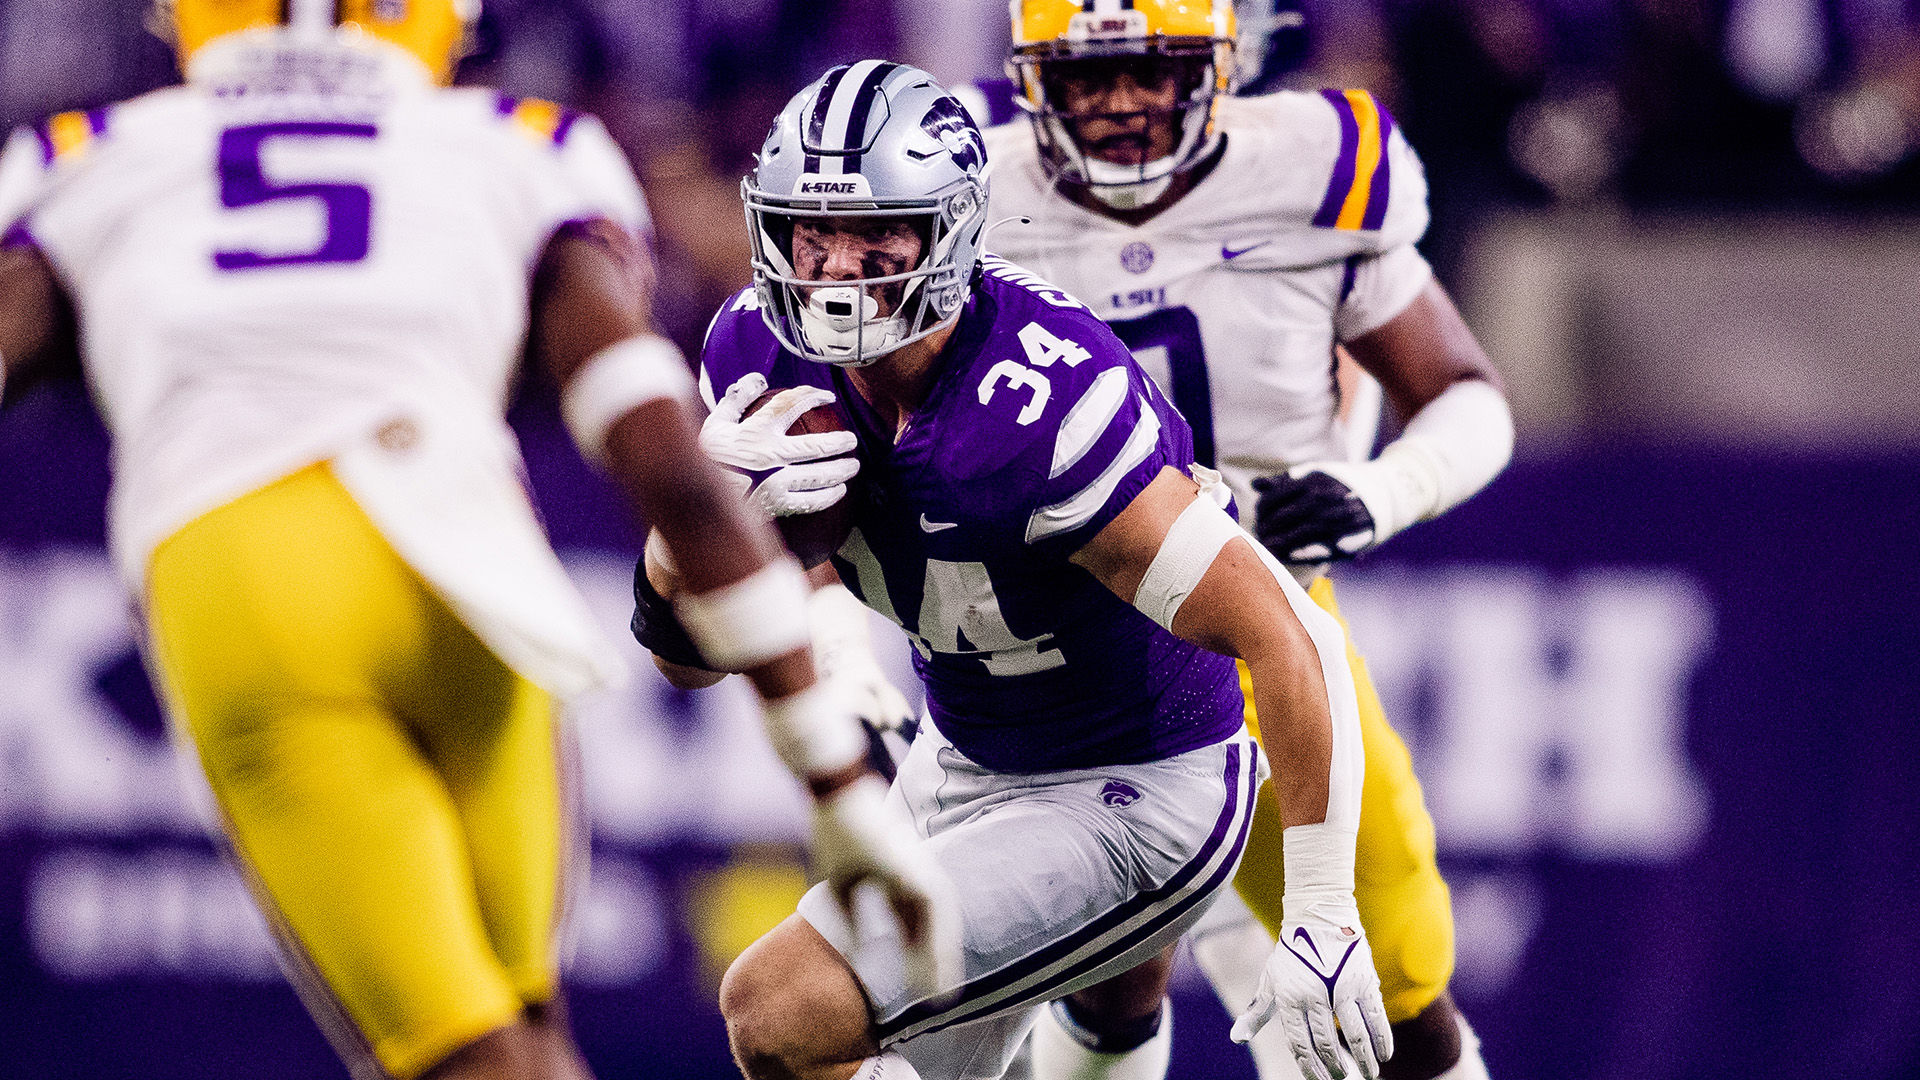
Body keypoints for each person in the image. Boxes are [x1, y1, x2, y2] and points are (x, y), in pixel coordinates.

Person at [0, 5, 952, 1079]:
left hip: (246, 568)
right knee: (528, 1040)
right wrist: (830, 768)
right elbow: (668, 462)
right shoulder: (524, 142)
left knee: (468, 1057)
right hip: (475, 574)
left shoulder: (82, 155)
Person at [631, 61, 1394, 1080]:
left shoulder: (1037, 403)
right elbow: (685, 665)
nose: (836, 268)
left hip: (1139, 784)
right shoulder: (754, 358)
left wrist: (1321, 912)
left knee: (779, 1007)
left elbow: (1285, 631)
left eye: (878, 234)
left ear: (950, 233)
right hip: (966, 754)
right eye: (811, 231)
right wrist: (685, 531)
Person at [970, 3, 1514, 1079]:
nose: (1122, 104)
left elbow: (1465, 391)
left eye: (1154, 70)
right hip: (1048, 642)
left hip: (1258, 620)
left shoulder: (1312, 175)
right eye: (1090, 77)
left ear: (1220, 66)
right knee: (1103, 971)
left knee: (1393, 984)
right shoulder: (973, 200)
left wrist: (1381, 491)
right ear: (1034, 81)